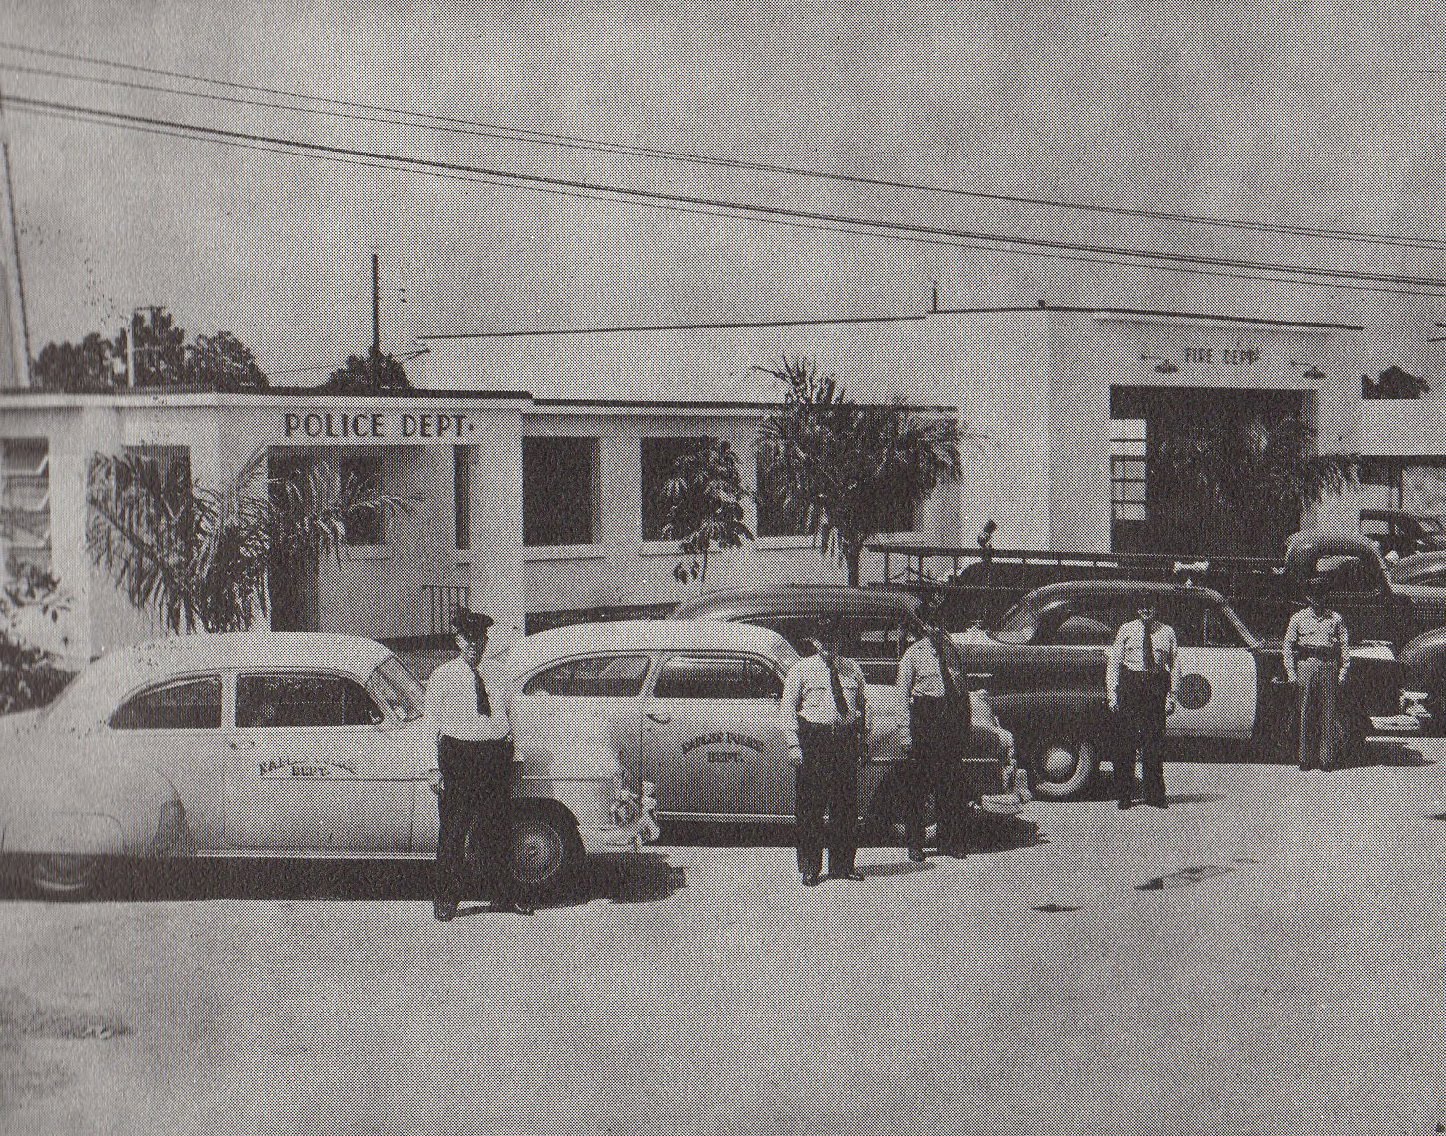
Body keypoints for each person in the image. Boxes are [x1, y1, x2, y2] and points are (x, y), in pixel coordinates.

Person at [425, 608, 533, 920]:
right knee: (454, 832)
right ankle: (447, 898)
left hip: (494, 757)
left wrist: (517, 757)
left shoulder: (499, 674)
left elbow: (515, 719)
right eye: (469, 638)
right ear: (458, 640)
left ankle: (503, 895)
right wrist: (431, 767)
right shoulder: (442, 677)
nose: (475, 644)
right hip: (459, 758)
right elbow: (430, 724)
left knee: (496, 829)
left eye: (480, 638)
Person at [781, 616, 868, 886]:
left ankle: (843, 865)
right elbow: (786, 711)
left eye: (836, 642)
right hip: (814, 741)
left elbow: (864, 708)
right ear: (817, 643)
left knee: (845, 806)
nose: (830, 647)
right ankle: (810, 866)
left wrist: (863, 740)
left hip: (843, 741)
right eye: (826, 642)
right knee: (811, 807)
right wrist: (794, 745)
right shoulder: (802, 670)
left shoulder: (852, 670)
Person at [896, 600, 972, 861]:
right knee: (918, 787)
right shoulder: (914, 655)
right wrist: (906, 733)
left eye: (941, 624)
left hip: (949, 724)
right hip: (924, 724)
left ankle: (950, 842)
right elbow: (902, 696)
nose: (937, 629)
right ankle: (915, 843)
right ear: (923, 626)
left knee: (950, 786)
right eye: (931, 624)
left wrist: (964, 728)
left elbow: (962, 691)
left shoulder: (953, 652)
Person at [1106, 595, 1180, 809]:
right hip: (1131, 687)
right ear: (1137, 610)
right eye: (1142, 607)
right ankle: (1124, 795)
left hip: (1155, 688)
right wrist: (1113, 695)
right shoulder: (1126, 630)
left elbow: (1175, 665)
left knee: (1154, 744)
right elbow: (1114, 664)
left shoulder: (1167, 632)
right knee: (1125, 744)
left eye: (1150, 606)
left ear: (1156, 609)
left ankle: (1155, 796)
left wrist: (1172, 695)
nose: (1146, 610)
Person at [1283, 579, 1350, 771]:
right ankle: (1305, 758)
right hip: (1306, 664)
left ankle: (1326, 759)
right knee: (1305, 711)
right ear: (1308, 598)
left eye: (1322, 595)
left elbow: (1344, 647)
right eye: (1314, 596)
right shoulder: (1298, 618)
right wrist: (1291, 672)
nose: (1318, 599)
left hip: (1328, 665)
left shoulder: (1336, 618)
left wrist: (1343, 671)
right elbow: (1288, 645)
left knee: (1328, 712)